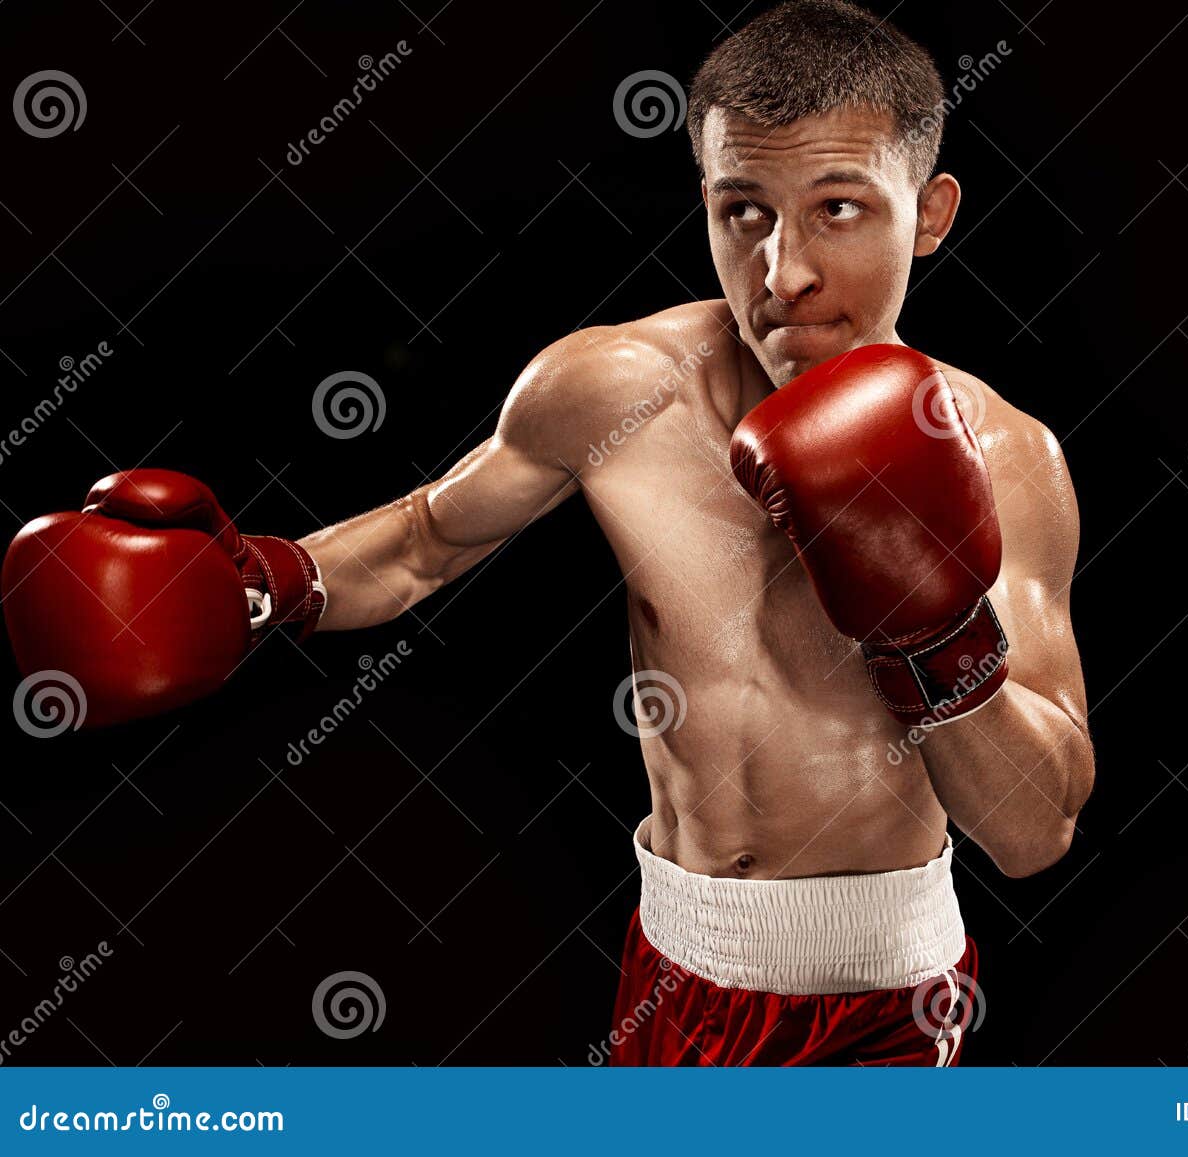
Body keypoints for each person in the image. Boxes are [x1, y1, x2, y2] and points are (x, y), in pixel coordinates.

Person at [2, 0, 1093, 1066]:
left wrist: (931, 630)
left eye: (839, 208)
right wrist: (257, 582)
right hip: (672, 963)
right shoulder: (613, 388)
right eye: (742, 209)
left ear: (933, 212)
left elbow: (1034, 830)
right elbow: (427, 538)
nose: (783, 273)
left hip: (882, 1004)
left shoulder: (1008, 459)